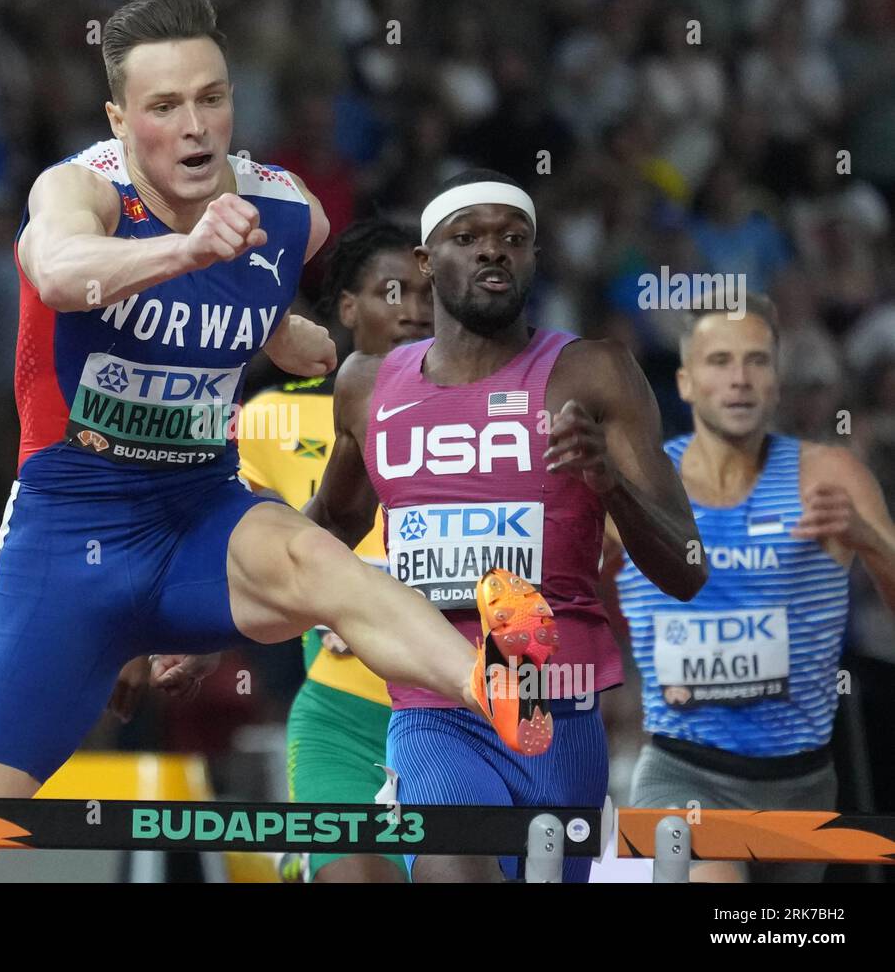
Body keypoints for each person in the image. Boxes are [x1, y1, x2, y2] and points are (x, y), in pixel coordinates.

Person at [0, 0, 533, 884]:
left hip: (200, 513)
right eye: (164, 106)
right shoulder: (77, 189)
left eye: (211, 99)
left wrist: (278, 328)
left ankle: (493, 683)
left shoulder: (287, 211)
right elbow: (58, 272)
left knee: (320, 566)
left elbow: (252, 287)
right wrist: (189, 254)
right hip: (71, 538)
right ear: (119, 119)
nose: (193, 126)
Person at [308, 169, 707, 883]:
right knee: (448, 870)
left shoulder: (592, 373)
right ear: (427, 265)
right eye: (469, 237)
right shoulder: (367, 384)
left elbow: (687, 566)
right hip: (436, 703)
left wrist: (608, 484)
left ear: (532, 257)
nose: (494, 251)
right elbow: (325, 530)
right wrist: (216, 630)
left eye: (513, 239)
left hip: (562, 709)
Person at [612, 292, 895, 883]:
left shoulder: (829, 474)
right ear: (686, 381)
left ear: (776, 378)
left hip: (804, 782)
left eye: (757, 361)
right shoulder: (643, 486)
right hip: (681, 773)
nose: (739, 379)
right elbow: (564, 598)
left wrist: (868, 538)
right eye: (719, 362)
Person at [240, 218, 432, 883]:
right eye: (391, 291)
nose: (414, 310)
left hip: (452, 719)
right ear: (347, 307)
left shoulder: (485, 419)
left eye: (428, 293)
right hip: (340, 713)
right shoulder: (271, 420)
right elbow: (227, 548)